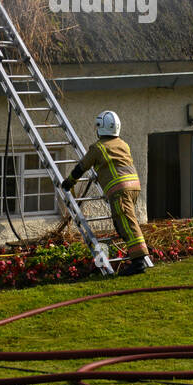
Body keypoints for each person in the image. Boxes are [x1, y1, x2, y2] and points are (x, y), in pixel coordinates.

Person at [60, 110, 153, 276]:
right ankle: (138, 252)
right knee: (122, 222)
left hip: (119, 190)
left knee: (127, 224)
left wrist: (69, 182)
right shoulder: (123, 144)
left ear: (100, 128)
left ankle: (138, 263)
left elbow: (82, 166)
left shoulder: (98, 148)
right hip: (133, 186)